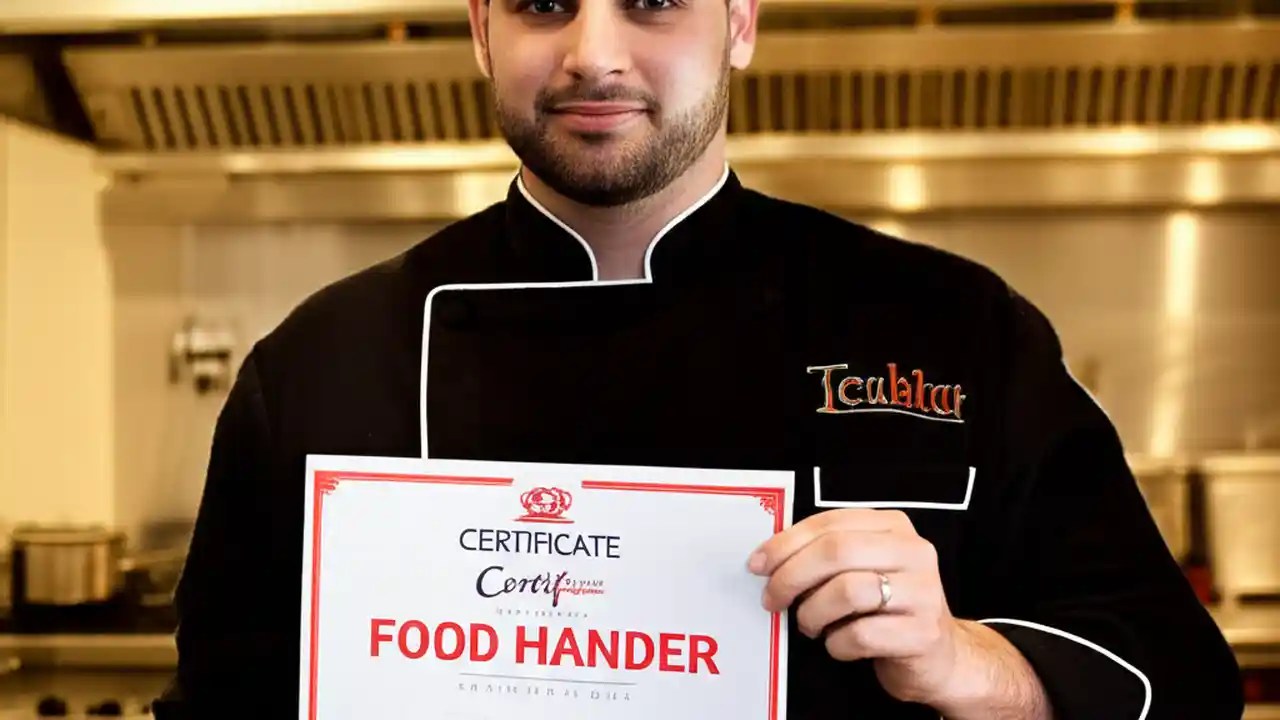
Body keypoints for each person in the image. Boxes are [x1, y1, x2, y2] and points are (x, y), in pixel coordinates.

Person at [153, 0, 1244, 717]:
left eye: (653, 0)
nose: (592, 52)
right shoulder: (320, 364)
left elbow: (1183, 680)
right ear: (481, 29)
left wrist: (965, 660)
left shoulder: (950, 325)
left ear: (740, 22)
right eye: (542, 3)